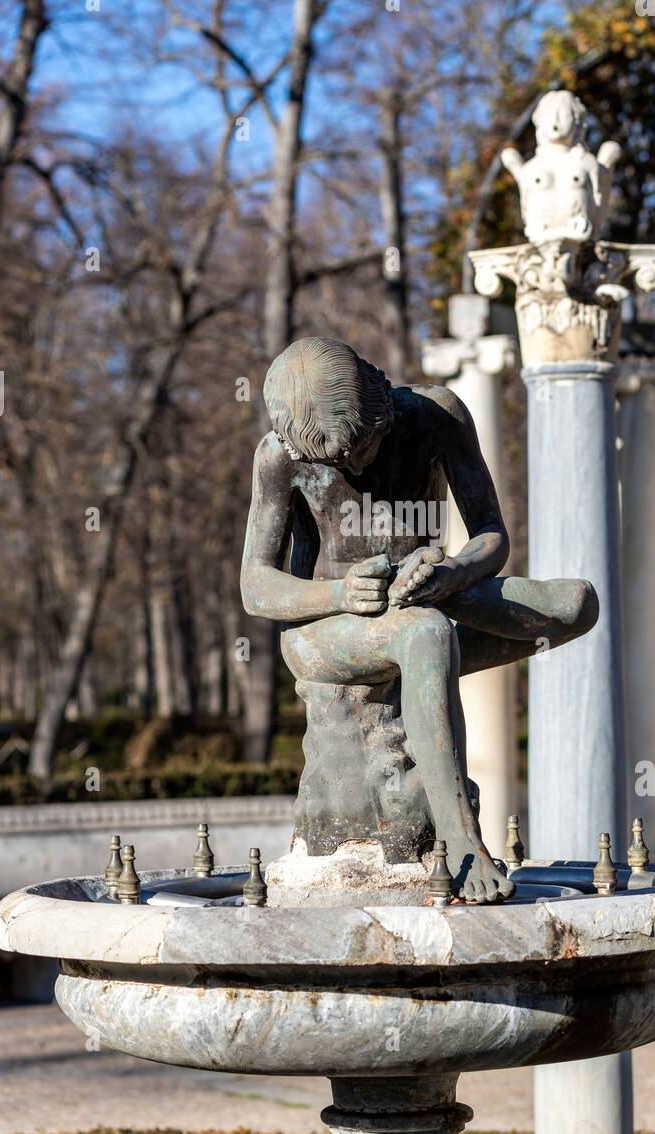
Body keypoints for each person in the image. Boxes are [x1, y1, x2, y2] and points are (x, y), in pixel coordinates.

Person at [241, 336, 597, 902]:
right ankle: (461, 843)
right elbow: (256, 588)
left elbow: (491, 536)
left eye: (363, 446)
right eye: (335, 460)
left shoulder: (437, 416)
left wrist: (451, 573)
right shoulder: (279, 458)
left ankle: (431, 646)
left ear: (382, 405)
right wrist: (339, 593)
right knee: (426, 636)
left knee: (575, 605)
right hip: (324, 630)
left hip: (427, 592)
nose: (354, 465)